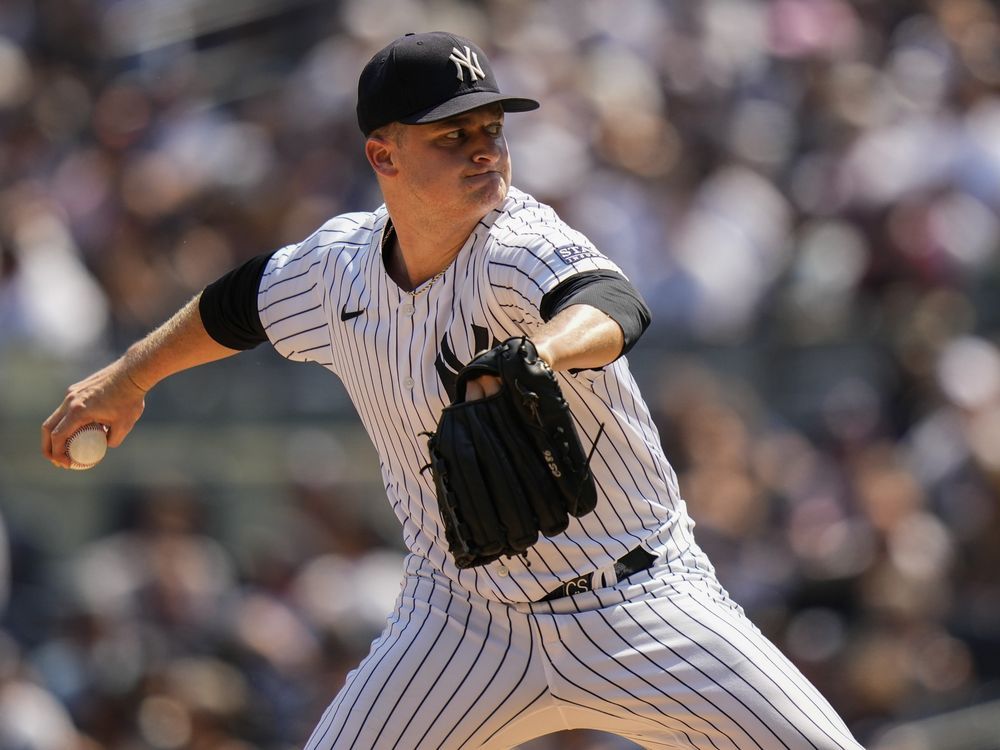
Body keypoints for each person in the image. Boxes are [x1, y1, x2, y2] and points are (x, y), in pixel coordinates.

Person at [42, 31, 864, 750]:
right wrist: (127, 378)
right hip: (464, 620)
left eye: (492, 130)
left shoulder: (517, 242)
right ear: (384, 156)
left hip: (638, 597)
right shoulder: (336, 272)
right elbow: (239, 304)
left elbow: (613, 303)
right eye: (453, 134)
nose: (484, 151)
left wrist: (537, 353)